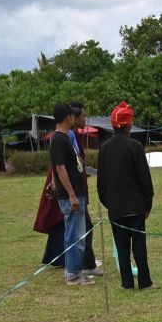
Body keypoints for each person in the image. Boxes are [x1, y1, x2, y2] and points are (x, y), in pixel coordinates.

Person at [97, 101, 155, 290]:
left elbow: (101, 182)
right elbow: (144, 179)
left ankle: (127, 283)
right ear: (128, 124)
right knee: (139, 247)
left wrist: (109, 203)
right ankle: (145, 282)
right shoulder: (135, 146)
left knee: (122, 248)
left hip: (116, 207)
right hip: (136, 207)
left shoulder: (104, 149)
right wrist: (147, 204)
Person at [49, 102, 92, 286]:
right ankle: (73, 275)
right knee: (75, 235)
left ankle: (74, 271)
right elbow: (60, 168)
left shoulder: (64, 137)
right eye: (73, 116)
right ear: (68, 117)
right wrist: (72, 194)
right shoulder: (59, 139)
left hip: (75, 192)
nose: (75, 118)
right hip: (70, 196)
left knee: (77, 234)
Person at [69, 103, 103, 277]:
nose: (85, 119)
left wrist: (84, 171)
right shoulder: (71, 136)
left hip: (80, 187)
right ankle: (85, 265)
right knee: (85, 227)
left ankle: (85, 263)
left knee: (83, 227)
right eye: (83, 116)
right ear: (74, 119)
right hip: (75, 191)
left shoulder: (75, 135)